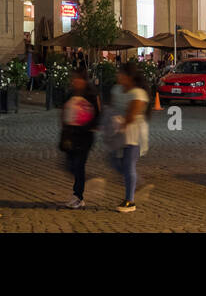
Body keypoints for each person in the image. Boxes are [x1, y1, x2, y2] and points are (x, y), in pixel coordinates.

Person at [108, 59, 149, 213]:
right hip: (118, 130)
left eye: (121, 74)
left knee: (128, 164)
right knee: (113, 161)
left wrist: (121, 123)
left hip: (134, 133)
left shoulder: (138, 93)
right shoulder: (117, 90)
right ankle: (136, 182)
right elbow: (112, 107)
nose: (118, 77)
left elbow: (132, 114)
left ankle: (130, 200)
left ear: (129, 77)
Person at [59, 67, 100, 209]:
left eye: (77, 78)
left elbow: (98, 115)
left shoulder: (91, 95)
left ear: (83, 80)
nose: (75, 81)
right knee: (69, 165)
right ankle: (85, 182)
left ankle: (78, 196)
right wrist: (64, 128)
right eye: (73, 79)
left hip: (84, 135)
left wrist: (90, 126)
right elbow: (64, 111)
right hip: (71, 133)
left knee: (78, 164)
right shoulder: (70, 94)